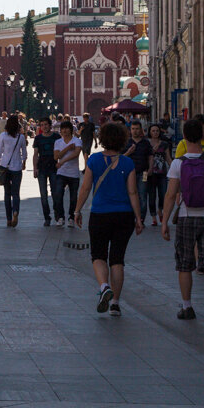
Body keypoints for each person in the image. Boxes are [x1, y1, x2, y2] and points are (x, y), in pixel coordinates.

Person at [160, 119, 204, 324]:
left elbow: (171, 195)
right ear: (202, 136)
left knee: (184, 264)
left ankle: (187, 306)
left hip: (187, 218)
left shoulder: (178, 163)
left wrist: (164, 221)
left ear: (184, 137)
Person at [73, 122, 142, 316]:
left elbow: (85, 188)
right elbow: (133, 192)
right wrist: (138, 217)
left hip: (100, 215)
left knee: (98, 255)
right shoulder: (128, 163)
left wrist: (77, 211)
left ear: (102, 138)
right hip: (124, 216)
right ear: (122, 140)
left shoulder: (94, 160)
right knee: (117, 260)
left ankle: (104, 287)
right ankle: (116, 305)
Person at [0, 115, 28, 227]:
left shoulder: (3, 135)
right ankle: (16, 212)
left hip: (5, 166)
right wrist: (24, 163)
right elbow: (24, 151)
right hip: (17, 167)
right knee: (16, 193)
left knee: (7, 193)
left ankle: (9, 219)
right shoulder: (21, 137)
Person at [123, 121, 156, 226]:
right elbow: (120, 158)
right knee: (130, 195)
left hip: (144, 173)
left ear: (141, 130)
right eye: (133, 129)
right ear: (130, 130)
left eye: (137, 129)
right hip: (129, 173)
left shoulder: (146, 142)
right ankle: (130, 217)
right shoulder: (126, 142)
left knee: (142, 195)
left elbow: (150, 156)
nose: (135, 131)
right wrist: (129, 152)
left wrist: (150, 168)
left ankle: (141, 218)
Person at [31, 118, 61, 226]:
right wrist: (35, 168)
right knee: (43, 194)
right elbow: (35, 154)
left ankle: (57, 215)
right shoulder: (38, 138)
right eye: (42, 125)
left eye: (46, 124)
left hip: (54, 167)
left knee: (55, 193)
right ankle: (47, 217)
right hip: (42, 168)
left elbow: (61, 151)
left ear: (50, 125)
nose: (44, 127)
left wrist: (61, 163)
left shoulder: (56, 137)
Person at [52, 120, 81, 227]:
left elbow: (76, 154)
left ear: (71, 130)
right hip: (61, 173)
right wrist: (68, 148)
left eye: (66, 128)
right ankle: (60, 217)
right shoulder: (58, 142)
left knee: (73, 198)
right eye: (62, 129)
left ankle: (71, 218)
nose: (64, 131)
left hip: (73, 174)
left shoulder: (77, 141)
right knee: (58, 195)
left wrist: (63, 160)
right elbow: (56, 157)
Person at [145, 123, 170, 228]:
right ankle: (154, 217)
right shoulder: (146, 143)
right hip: (148, 173)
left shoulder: (164, 144)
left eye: (157, 131)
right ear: (150, 132)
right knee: (151, 196)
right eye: (153, 131)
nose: (155, 132)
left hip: (162, 173)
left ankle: (160, 210)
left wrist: (174, 168)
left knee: (163, 194)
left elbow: (168, 157)